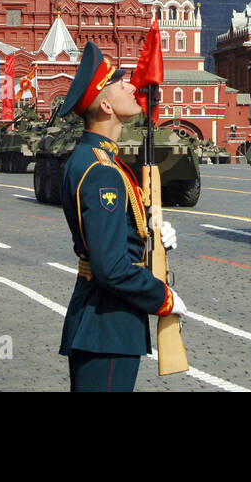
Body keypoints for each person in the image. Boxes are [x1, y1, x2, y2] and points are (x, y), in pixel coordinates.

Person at [57, 41, 183, 392]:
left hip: (105, 322)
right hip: (107, 324)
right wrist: (163, 298)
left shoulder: (99, 160)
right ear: (106, 105)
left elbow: (112, 236)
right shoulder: (101, 171)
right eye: (120, 83)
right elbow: (110, 266)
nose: (132, 86)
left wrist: (148, 236)